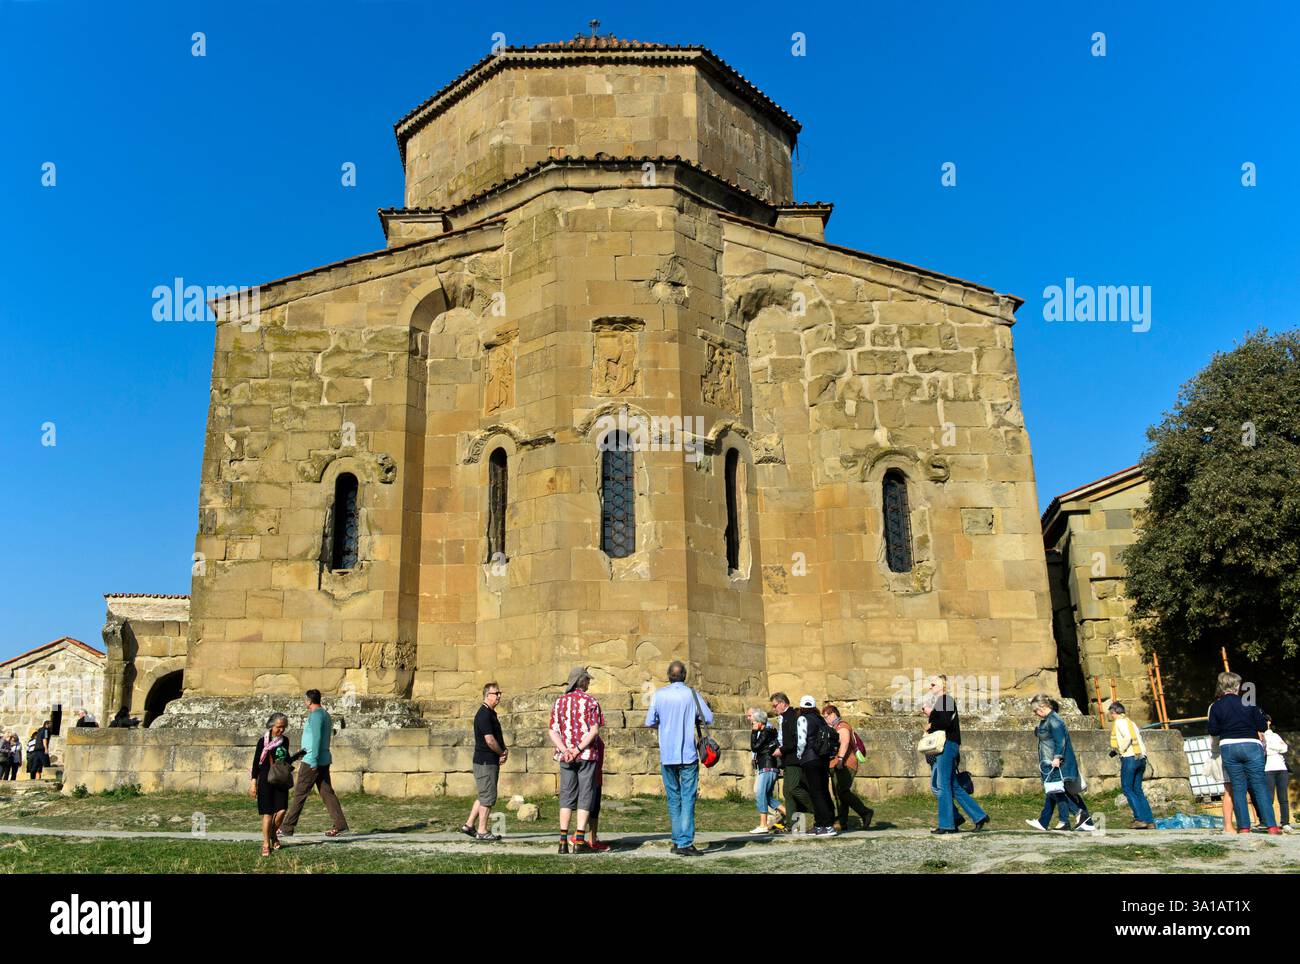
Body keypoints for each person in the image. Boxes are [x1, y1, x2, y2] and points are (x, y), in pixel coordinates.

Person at [644, 660, 713, 856]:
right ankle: (684, 842)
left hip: (667, 754)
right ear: (684, 676)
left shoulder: (659, 695)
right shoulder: (692, 694)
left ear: (668, 675)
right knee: (688, 797)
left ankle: (676, 840)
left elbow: (650, 721)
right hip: (688, 753)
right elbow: (708, 718)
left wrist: (665, 724)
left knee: (674, 798)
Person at [1208, 672, 1280, 834]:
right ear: (1238, 686)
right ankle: (1272, 826)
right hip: (1251, 745)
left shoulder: (1216, 706)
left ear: (1221, 686)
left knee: (1238, 787)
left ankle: (1244, 827)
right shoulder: (1248, 702)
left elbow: (1213, 730)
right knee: (1259, 785)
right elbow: (1262, 726)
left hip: (1229, 747)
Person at [548, 668, 609, 853]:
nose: (589, 683)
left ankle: (563, 841)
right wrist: (578, 749)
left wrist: (566, 749)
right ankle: (580, 840)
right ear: (581, 682)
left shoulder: (558, 703)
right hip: (586, 755)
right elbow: (594, 730)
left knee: (566, 796)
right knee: (585, 795)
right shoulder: (591, 702)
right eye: (587, 681)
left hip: (566, 756)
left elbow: (552, 730)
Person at [279, 690, 349, 838]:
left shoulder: (316, 715)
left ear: (309, 701)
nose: (305, 702)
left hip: (313, 761)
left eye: (305, 700)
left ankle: (287, 827)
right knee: (326, 793)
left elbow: (317, 738)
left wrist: (314, 758)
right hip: (321, 758)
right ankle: (340, 824)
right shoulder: (325, 714)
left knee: (300, 793)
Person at [924, 676, 989, 834]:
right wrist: (932, 714)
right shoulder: (944, 701)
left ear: (942, 685)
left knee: (944, 785)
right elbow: (946, 720)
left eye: (933, 684)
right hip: (950, 744)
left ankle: (947, 825)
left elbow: (945, 723)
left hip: (946, 745)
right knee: (953, 786)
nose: (930, 686)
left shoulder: (945, 700)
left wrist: (931, 721)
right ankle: (979, 816)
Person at [1027, 694, 1092, 832]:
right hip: (1049, 762)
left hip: (1054, 763)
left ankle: (1080, 814)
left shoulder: (1054, 720)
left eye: (1036, 710)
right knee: (1054, 791)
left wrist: (1057, 757)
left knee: (1057, 791)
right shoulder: (1047, 720)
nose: (1035, 713)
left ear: (1043, 707)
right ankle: (1059, 821)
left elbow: (1060, 741)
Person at [459, 681, 506, 842]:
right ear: (487, 695)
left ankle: (469, 825)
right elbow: (490, 740)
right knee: (488, 797)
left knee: (483, 794)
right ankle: (482, 830)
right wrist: (501, 752)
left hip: (487, 761)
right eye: (496, 693)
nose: (499, 696)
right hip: (486, 761)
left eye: (500, 693)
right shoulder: (484, 714)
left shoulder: (490, 712)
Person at [249, 712, 301, 857]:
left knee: (282, 811)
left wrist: (296, 756)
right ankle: (266, 843)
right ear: (272, 725)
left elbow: (285, 761)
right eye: (279, 727)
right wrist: (253, 783)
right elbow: (256, 764)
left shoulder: (285, 741)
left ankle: (273, 834)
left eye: (284, 727)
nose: (281, 730)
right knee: (268, 814)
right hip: (265, 780)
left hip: (280, 780)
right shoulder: (262, 742)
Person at [822, 704, 874, 832]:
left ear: (833, 714)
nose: (825, 719)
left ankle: (865, 812)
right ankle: (842, 822)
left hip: (846, 764)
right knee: (839, 794)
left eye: (826, 716)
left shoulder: (842, 726)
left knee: (842, 792)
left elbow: (844, 742)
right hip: (836, 764)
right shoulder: (834, 727)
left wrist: (840, 760)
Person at [795, 695, 838, 836]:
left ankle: (826, 825)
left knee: (815, 793)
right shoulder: (821, 720)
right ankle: (820, 824)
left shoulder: (802, 718)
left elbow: (802, 741)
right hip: (823, 758)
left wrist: (799, 755)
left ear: (801, 707)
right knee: (823, 791)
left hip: (810, 758)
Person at [770, 692, 812, 832]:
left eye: (775, 706)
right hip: (787, 760)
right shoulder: (784, 717)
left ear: (783, 703)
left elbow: (796, 740)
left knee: (794, 788)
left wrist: (782, 750)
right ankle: (794, 825)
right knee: (787, 792)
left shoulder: (792, 716)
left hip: (795, 759)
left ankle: (818, 809)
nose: (774, 709)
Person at [1108, 701, 1154, 829]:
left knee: (1127, 788)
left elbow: (1127, 737)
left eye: (1110, 714)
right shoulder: (1131, 722)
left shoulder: (1119, 722)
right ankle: (1149, 821)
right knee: (1137, 790)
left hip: (1129, 758)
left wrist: (1119, 749)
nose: (1110, 716)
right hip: (1141, 757)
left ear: (1113, 712)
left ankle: (1139, 819)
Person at [747, 708, 784, 834]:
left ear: (759, 722)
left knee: (760, 794)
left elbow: (755, 747)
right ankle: (788, 813)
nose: (752, 724)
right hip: (768, 767)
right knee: (767, 797)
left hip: (767, 767)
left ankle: (763, 825)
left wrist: (753, 732)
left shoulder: (765, 732)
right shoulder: (768, 731)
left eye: (753, 722)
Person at [1263, 715, 1291, 832]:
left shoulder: (1275, 735)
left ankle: (1285, 822)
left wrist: (1272, 746)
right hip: (1268, 769)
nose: (1266, 723)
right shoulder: (1259, 736)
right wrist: (1276, 747)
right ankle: (1271, 822)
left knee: (1283, 798)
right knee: (1269, 797)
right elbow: (1265, 749)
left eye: (1267, 721)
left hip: (1281, 768)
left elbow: (1284, 748)